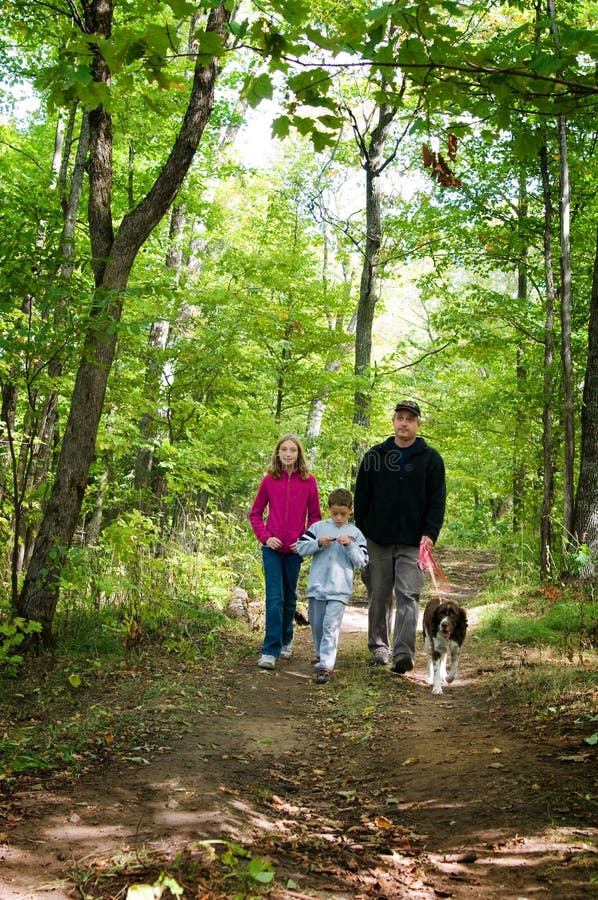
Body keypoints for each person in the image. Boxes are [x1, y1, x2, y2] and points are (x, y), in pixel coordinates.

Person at [354, 400, 446, 674]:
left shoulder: (430, 459)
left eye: (410, 418)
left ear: (418, 424)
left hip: (414, 542)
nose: (404, 423)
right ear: (393, 422)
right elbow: (362, 498)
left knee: (409, 595)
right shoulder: (375, 455)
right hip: (377, 539)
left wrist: (430, 534)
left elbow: (437, 500)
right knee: (379, 594)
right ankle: (379, 647)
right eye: (400, 418)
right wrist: (364, 532)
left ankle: (403, 654)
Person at [249, 434, 321, 670]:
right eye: (284, 450)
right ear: (278, 453)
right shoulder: (269, 479)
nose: (288, 454)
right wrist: (266, 537)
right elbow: (255, 514)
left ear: (299, 454)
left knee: (290, 598)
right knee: (275, 598)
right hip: (272, 549)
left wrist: (303, 541)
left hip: (294, 550)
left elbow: (316, 518)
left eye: (292, 450)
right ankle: (270, 650)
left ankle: (286, 639)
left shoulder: (309, 481)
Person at [297, 488, 368, 684]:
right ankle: (321, 655)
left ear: (350, 511)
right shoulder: (318, 528)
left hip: (340, 589)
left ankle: (325, 665)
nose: (338, 517)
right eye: (335, 513)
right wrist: (318, 543)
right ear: (328, 509)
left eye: (343, 514)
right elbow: (300, 548)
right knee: (318, 625)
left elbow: (362, 561)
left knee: (330, 626)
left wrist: (350, 546)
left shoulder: (355, 533)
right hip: (317, 587)